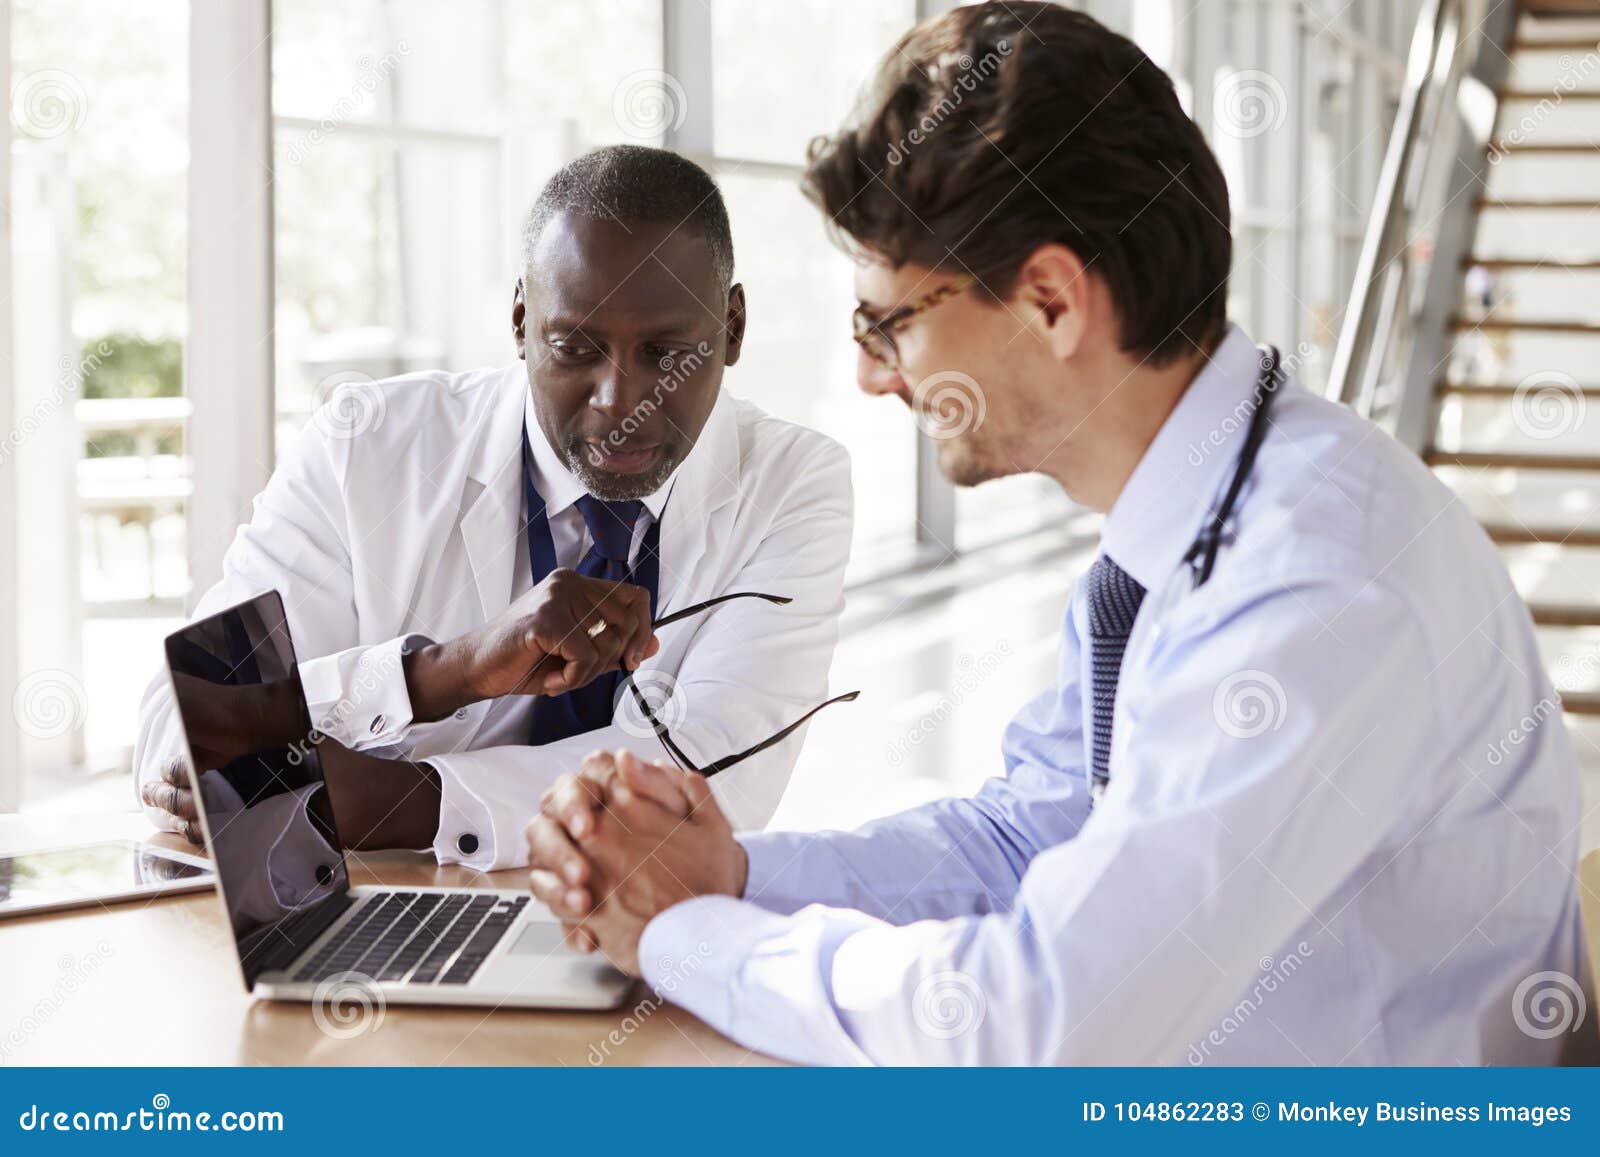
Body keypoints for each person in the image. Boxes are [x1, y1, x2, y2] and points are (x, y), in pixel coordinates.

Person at [524, 3, 1589, 1065]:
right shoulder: (1184, 516)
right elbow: (1028, 832)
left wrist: (686, 931)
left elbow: (1043, 1024)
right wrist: (734, 874)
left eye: (889, 322)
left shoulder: (1319, 582)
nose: (870, 373)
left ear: (1048, 301)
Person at [135, 145, 853, 871]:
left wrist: (398, 798)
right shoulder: (365, 447)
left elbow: (710, 781)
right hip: (376, 922)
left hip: (648, 939)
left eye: (667, 355)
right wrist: (446, 673)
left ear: (730, 330)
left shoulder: (793, 483)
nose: (620, 401)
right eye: (575, 348)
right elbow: (185, 729)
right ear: (520, 321)